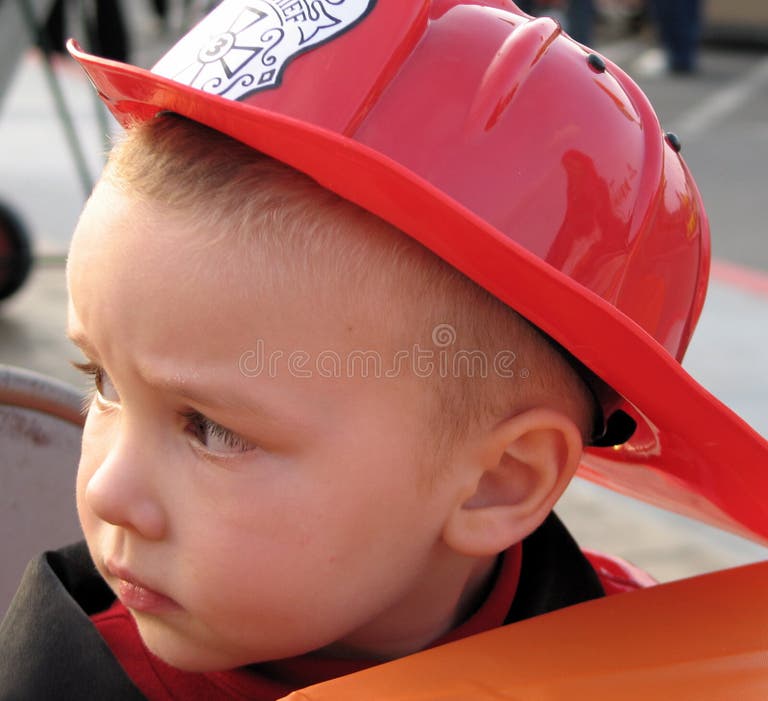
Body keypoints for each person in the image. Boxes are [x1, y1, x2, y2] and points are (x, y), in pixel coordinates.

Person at [3, 1, 765, 698]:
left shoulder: (644, 670)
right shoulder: (64, 673)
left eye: (213, 427)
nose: (104, 489)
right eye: (102, 379)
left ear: (498, 480)